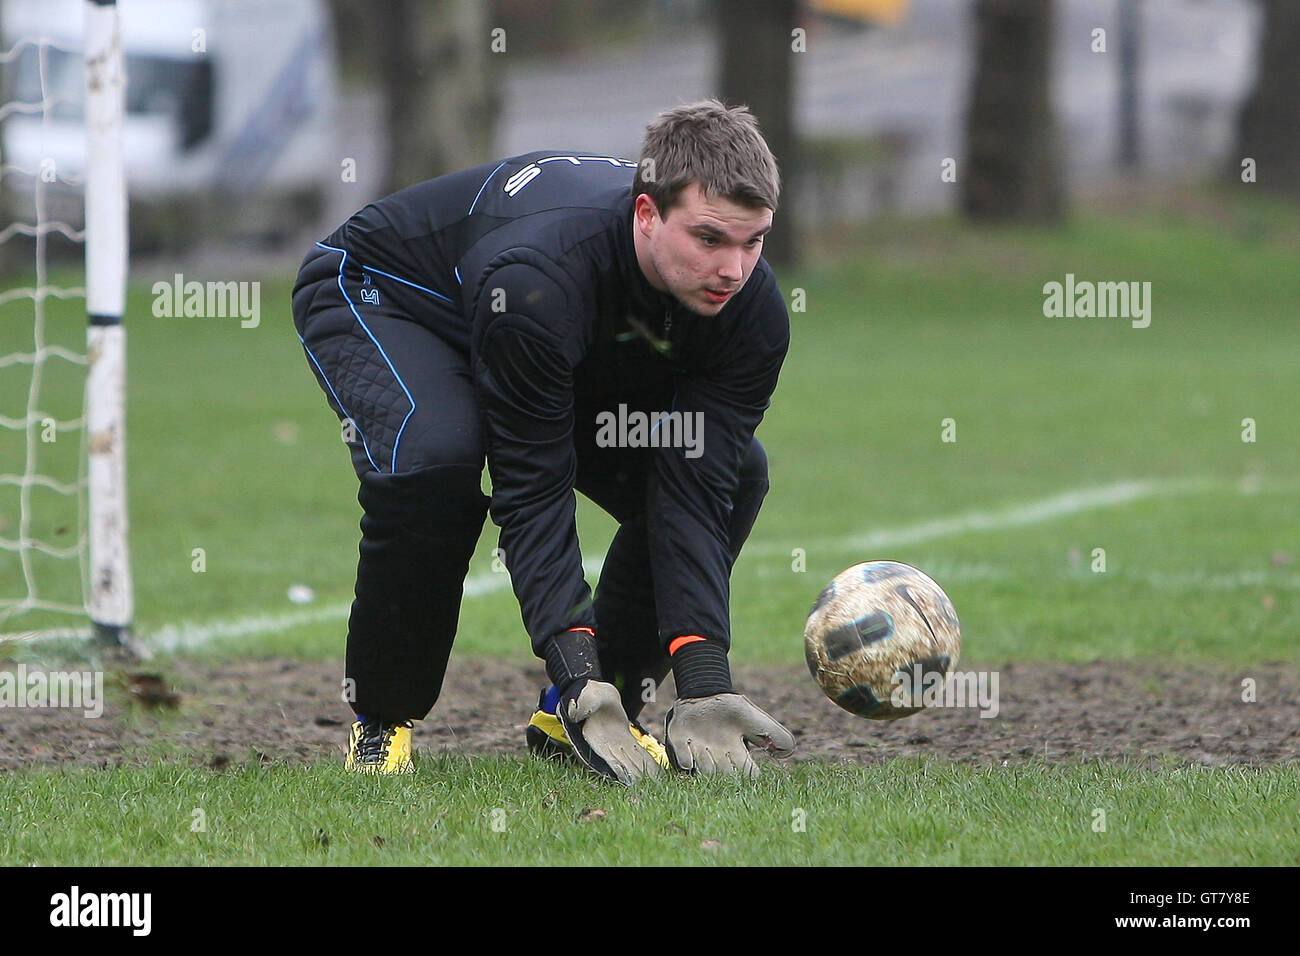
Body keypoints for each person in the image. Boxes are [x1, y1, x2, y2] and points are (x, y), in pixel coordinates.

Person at [290, 99, 795, 783]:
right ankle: (382, 719)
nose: (734, 269)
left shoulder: (752, 313)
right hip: (387, 293)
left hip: (546, 335)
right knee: (437, 457)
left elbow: (696, 485)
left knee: (734, 474)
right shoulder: (543, 277)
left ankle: (579, 714)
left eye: (753, 241)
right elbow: (533, 485)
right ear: (646, 213)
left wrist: (704, 681)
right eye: (710, 239)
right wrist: (571, 658)